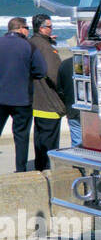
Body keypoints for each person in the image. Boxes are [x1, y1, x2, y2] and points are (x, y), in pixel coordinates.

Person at [0, 17, 45, 172]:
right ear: (20, 28)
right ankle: (21, 169)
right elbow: (41, 71)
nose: (28, 31)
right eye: (27, 28)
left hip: (1, 97)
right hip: (22, 99)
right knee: (21, 137)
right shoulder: (29, 46)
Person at [28, 14, 65, 171]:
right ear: (42, 28)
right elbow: (54, 73)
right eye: (49, 27)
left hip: (36, 101)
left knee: (40, 139)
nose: (52, 29)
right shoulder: (45, 47)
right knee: (49, 142)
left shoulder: (32, 42)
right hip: (49, 103)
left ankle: (40, 168)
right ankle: (47, 171)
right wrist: (64, 93)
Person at [58, 55, 81, 147]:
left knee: (77, 143)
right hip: (92, 111)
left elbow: (60, 89)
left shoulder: (65, 64)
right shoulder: (93, 62)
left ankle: (78, 160)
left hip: (72, 109)